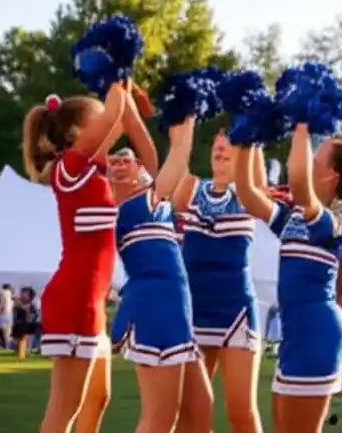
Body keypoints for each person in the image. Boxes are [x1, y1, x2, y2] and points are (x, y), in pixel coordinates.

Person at [229, 121, 342, 432]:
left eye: (316, 159)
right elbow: (248, 195)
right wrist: (248, 137)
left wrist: (301, 124)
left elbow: (299, 181)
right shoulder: (295, 218)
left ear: (332, 175)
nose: (308, 162)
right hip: (296, 335)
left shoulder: (330, 223)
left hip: (317, 335)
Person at [21, 82, 133, 433]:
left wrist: (127, 90)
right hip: (75, 298)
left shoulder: (95, 172)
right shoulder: (69, 167)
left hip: (90, 299)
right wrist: (119, 76)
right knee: (64, 408)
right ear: (76, 133)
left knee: (97, 399)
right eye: (99, 122)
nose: (109, 129)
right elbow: (116, 119)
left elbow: (119, 122)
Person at [106, 121, 215, 433]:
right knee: (160, 418)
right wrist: (187, 121)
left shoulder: (158, 207)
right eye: (113, 163)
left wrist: (177, 135)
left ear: (141, 170)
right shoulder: (129, 208)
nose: (118, 164)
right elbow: (177, 162)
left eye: (125, 160)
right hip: (155, 309)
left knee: (199, 410)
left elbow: (184, 179)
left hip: (175, 312)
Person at [167, 126, 264, 433]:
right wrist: (184, 125)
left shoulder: (249, 194)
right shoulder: (193, 188)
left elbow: (257, 178)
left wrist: (252, 126)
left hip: (235, 311)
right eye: (216, 147)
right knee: (192, 414)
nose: (220, 151)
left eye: (228, 147)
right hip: (194, 310)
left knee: (241, 411)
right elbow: (175, 171)